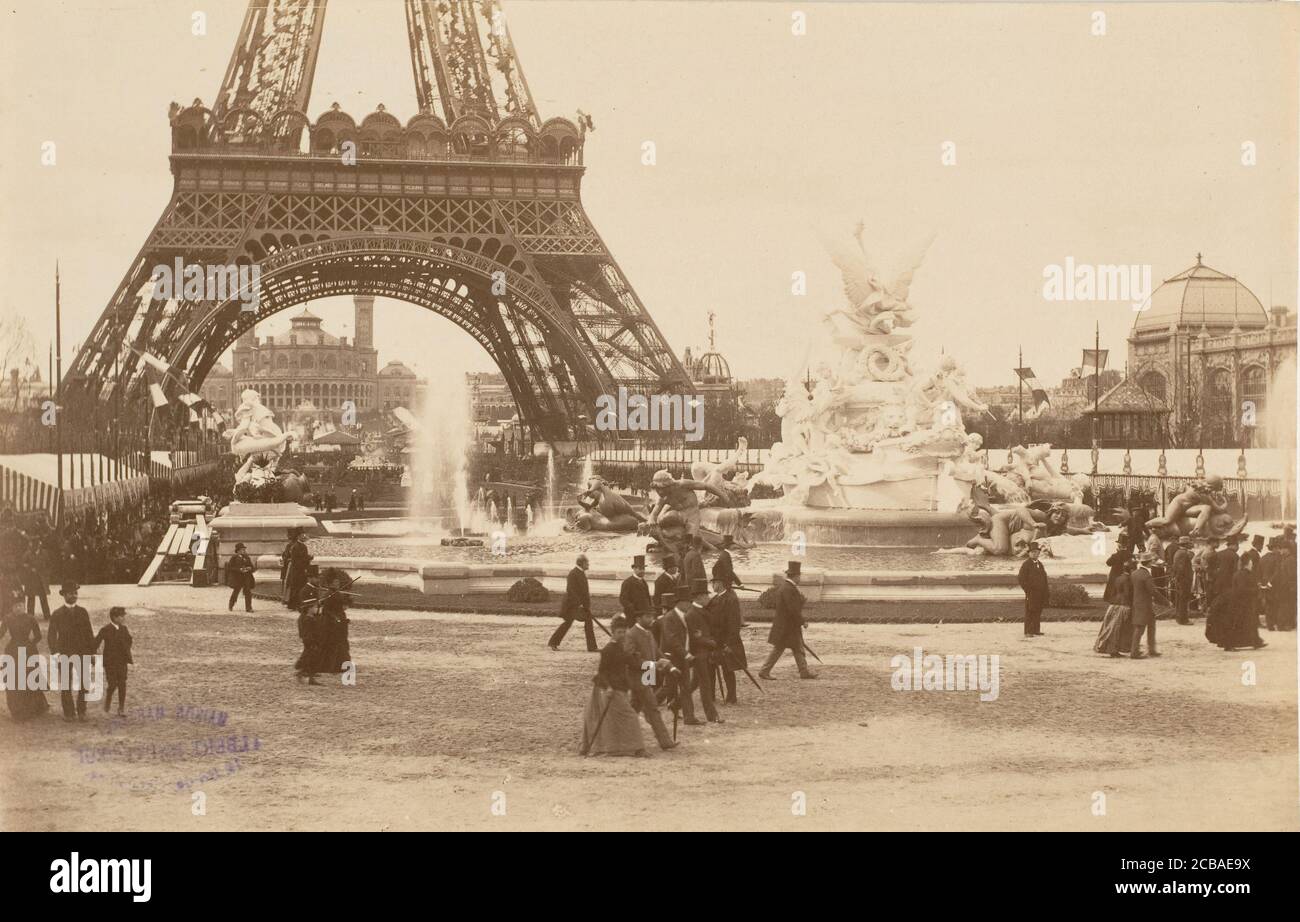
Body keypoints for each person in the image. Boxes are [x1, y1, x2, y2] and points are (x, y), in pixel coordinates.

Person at [581, 614, 646, 756]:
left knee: (614, 718)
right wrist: (608, 687)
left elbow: (633, 663)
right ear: (613, 632)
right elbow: (602, 672)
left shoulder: (623, 648)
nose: (622, 635)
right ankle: (637, 748)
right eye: (619, 632)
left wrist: (653, 665)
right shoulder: (608, 650)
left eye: (624, 632)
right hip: (608, 688)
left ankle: (620, 747)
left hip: (619, 687)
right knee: (630, 716)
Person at [622, 606, 677, 750]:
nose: (651, 619)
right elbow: (630, 659)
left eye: (651, 616)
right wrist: (653, 664)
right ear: (638, 618)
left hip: (647, 675)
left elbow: (657, 652)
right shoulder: (631, 634)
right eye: (647, 617)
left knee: (634, 708)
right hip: (637, 678)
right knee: (652, 708)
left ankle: (617, 734)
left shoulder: (648, 633)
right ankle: (665, 742)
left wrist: (670, 666)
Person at [758, 561, 816, 679]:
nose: (800, 578)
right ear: (795, 576)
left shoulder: (785, 587)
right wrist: (802, 621)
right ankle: (764, 670)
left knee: (797, 646)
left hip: (786, 625)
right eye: (799, 576)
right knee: (780, 648)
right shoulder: (789, 589)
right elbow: (793, 609)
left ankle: (803, 671)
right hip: (787, 626)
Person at [47, 582, 95, 721]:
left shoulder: (83, 612)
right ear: (64, 595)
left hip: (82, 652)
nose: (73, 596)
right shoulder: (57, 614)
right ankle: (68, 713)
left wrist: (92, 651)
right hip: (64, 652)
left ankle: (82, 711)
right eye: (70, 593)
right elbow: (51, 634)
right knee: (66, 683)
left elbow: (89, 633)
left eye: (75, 593)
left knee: (84, 682)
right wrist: (55, 652)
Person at [1, 587, 49, 720]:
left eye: (21, 605)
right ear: (11, 607)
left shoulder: (30, 618)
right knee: (14, 680)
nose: (18, 608)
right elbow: (1, 634)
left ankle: (33, 708)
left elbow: (38, 636)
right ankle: (16, 710)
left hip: (28, 651)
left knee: (30, 679)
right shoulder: (8, 619)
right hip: (12, 651)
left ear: (25, 606)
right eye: (15, 606)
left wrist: (30, 644)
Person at [1207, 555, 1266, 651]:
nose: (1252, 564)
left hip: (1242, 602)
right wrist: (1256, 589)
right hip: (1240, 603)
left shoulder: (1242, 573)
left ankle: (1255, 642)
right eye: (1250, 562)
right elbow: (1241, 589)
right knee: (1237, 624)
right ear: (1246, 563)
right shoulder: (1243, 574)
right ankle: (1229, 645)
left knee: (1248, 623)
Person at [659, 592, 700, 725]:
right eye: (688, 602)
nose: (690, 604)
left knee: (686, 687)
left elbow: (687, 635)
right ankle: (648, 705)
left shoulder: (685, 616)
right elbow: (672, 640)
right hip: (672, 657)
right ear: (680, 603)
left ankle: (689, 717)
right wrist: (686, 654)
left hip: (683, 657)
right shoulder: (670, 617)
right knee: (669, 688)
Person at [686, 578, 723, 723]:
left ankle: (675, 703)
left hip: (705, 652)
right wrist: (711, 642)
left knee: (695, 683)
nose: (708, 597)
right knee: (705, 685)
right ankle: (712, 716)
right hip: (699, 653)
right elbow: (695, 638)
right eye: (706, 595)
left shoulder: (702, 611)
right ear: (699, 597)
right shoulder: (692, 614)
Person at [707, 574, 745, 703]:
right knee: (710, 667)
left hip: (725, 641)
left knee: (727, 669)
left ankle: (731, 696)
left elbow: (734, 624)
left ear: (721, 583)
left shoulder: (730, 599)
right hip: (714, 641)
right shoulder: (714, 599)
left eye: (714, 582)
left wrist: (730, 643)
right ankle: (710, 695)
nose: (712, 585)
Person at [549, 554, 596, 652]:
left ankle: (553, 642)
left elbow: (583, 592)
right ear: (582, 563)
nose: (588, 564)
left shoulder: (580, 573)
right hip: (572, 606)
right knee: (578, 622)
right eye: (587, 563)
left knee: (569, 623)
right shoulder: (573, 573)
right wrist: (580, 604)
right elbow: (571, 591)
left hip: (577, 605)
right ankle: (592, 647)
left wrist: (585, 605)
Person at [93, 606, 133, 716]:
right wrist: (94, 653)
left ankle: (121, 708)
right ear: (114, 617)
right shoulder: (105, 629)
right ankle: (108, 699)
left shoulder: (124, 629)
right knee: (112, 684)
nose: (123, 618)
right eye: (121, 616)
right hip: (110, 662)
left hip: (122, 662)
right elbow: (96, 642)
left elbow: (129, 640)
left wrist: (126, 651)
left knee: (122, 684)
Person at [1094, 559, 1135, 656]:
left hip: (1113, 605)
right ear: (1131, 570)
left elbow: (1113, 593)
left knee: (1110, 627)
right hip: (1123, 605)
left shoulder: (1118, 578)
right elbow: (1127, 594)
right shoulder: (1128, 580)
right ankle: (1114, 649)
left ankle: (1108, 648)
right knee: (1117, 628)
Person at [1129, 552, 1159, 659]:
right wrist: (1166, 602)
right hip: (1145, 605)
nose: (1152, 563)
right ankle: (1134, 652)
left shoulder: (1134, 573)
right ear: (1149, 563)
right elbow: (1153, 592)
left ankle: (1152, 650)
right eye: (1152, 561)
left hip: (1137, 603)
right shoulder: (1146, 575)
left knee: (1150, 625)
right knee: (1140, 628)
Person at [1017, 542, 1049, 637]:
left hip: (1040, 593)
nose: (1034, 554)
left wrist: (1046, 591)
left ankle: (1036, 630)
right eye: (1032, 552)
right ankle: (1028, 631)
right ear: (1029, 553)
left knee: (1038, 611)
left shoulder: (1040, 564)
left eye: (1036, 552)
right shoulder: (1026, 564)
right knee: (1030, 611)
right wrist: (1027, 590)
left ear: (1039, 553)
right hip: (1031, 593)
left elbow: (1044, 578)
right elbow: (1021, 579)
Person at [281, 529, 313, 610]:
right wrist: (308, 558)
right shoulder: (297, 546)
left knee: (298, 587)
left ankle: (295, 605)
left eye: (304, 535)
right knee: (296, 587)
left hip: (299, 570)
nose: (304, 536)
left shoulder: (301, 546)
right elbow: (296, 560)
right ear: (299, 536)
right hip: (298, 570)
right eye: (303, 535)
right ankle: (294, 605)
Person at [295, 599, 324, 685]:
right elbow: (308, 632)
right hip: (311, 641)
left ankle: (303, 671)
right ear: (309, 608)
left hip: (312, 641)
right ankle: (307, 675)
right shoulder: (308, 619)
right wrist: (312, 641)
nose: (317, 608)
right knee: (311, 658)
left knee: (309, 656)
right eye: (315, 607)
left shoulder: (307, 617)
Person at [20, 542, 50, 620]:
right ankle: (30, 616)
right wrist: (30, 569)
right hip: (31, 579)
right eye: (34, 545)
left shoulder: (44, 553)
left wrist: (46, 573)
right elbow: (23, 564)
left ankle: (47, 616)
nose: (36, 547)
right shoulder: (27, 553)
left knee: (43, 598)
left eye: (38, 544)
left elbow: (48, 564)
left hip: (41, 579)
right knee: (31, 598)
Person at [226, 543, 256, 613]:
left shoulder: (247, 557)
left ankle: (248, 608)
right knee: (236, 592)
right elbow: (230, 568)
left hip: (246, 577)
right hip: (238, 578)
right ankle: (231, 605)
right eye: (242, 549)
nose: (244, 551)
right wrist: (239, 569)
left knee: (248, 592)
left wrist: (250, 568)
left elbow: (252, 567)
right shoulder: (234, 557)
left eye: (244, 549)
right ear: (238, 550)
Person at [618, 555, 651, 619]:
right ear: (634, 569)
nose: (642, 571)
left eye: (643, 569)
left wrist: (649, 608)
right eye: (640, 569)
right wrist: (632, 608)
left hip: (643, 614)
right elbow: (623, 599)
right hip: (633, 615)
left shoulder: (644, 582)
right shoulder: (628, 582)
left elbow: (647, 597)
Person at [1171, 536, 1194, 625]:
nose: (1190, 544)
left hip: (1180, 579)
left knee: (1180, 599)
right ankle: (1183, 619)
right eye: (1189, 543)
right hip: (1184, 580)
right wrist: (1182, 579)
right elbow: (1181, 569)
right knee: (1183, 599)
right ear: (1186, 544)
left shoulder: (1178, 552)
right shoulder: (1183, 554)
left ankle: (1179, 617)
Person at [1102, 536, 1131, 605]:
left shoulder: (1115, 555)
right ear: (1127, 545)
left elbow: (1108, 563)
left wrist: (1117, 553)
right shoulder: (1130, 555)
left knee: (1112, 591)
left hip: (1115, 575)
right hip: (1126, 576)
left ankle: (1112, 600)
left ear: (1119, 545)